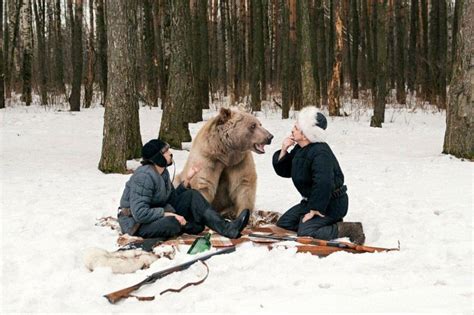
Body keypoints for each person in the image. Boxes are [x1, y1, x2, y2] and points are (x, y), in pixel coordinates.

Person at [118, 139, 250, 240]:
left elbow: (171, 198)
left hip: (156, 213)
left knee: (191, 195)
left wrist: (187, 179)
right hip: (135, 223)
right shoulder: (144, 176)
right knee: (172, 223)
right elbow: (139, 213)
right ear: (157, 157)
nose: (170, 153)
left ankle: (227, 228)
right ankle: (187, 225)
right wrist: (170, 214)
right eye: (166, 151)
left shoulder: (163, 173)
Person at [272, 106, 365, 245]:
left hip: (331, 203)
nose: (292, 129)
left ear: (305, 134)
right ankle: (324, 223)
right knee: (284, 223)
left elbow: (323, 183)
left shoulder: (321, 153)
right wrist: (284, 149)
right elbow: (285, 171)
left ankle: (350, 228)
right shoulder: (300, 148)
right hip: (312, 201)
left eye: (296, 128)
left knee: (305, 232)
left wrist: (315, 209)